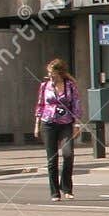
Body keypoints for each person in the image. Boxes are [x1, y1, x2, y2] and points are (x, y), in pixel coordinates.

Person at [33, 58, 82, 201]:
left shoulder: (70, 86)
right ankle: (55, 192)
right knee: (52, 159)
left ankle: (66, 187)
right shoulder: (44, 86)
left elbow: (76, 104)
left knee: (68, 154)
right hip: (48, 123)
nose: (50, 76)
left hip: (66, 122)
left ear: (59, 72)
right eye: (48, 73)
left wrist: (77, 124)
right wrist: (37, 124)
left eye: (52, 73)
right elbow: (40, 104)